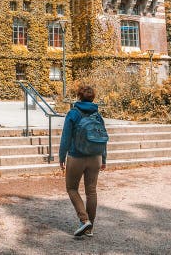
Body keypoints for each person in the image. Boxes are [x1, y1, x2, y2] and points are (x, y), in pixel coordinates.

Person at [58, 84, 108, 237]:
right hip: (95, 157)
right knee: (91, 192)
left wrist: (61, 157)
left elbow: (65, 137)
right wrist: (104, 158)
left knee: (72, 189)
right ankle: (90, 228)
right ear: (93, 98)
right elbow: (102, 138)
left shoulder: (73, 114)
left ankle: (84, 220)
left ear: (79, 97)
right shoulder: (98, 116)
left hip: (76, 156)